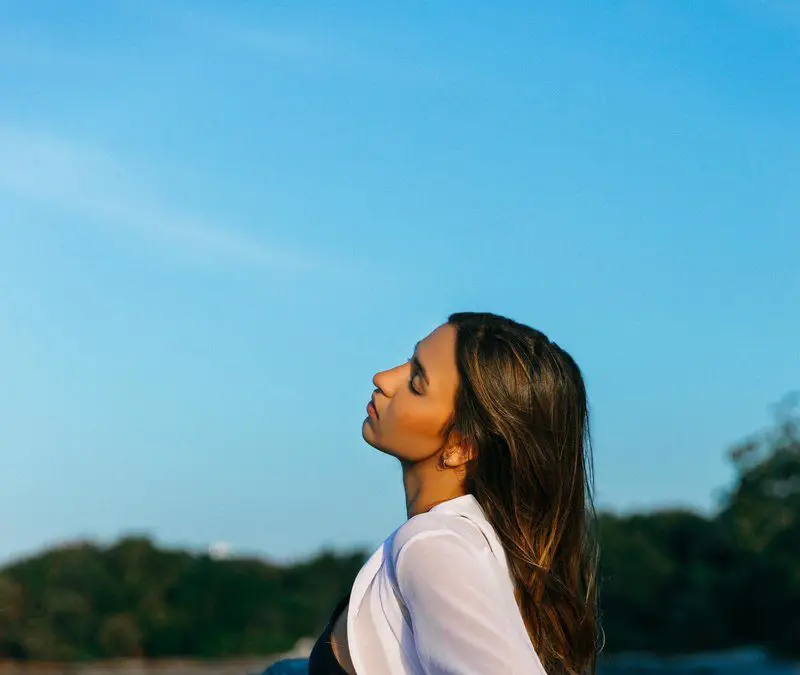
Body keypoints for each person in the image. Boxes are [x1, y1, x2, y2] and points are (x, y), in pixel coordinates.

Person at [296, 312, 599, 674]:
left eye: (416, 382)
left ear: (462, 446)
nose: (383, 379)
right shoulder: (469, 542)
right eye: (409, 361)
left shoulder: (433, 545)